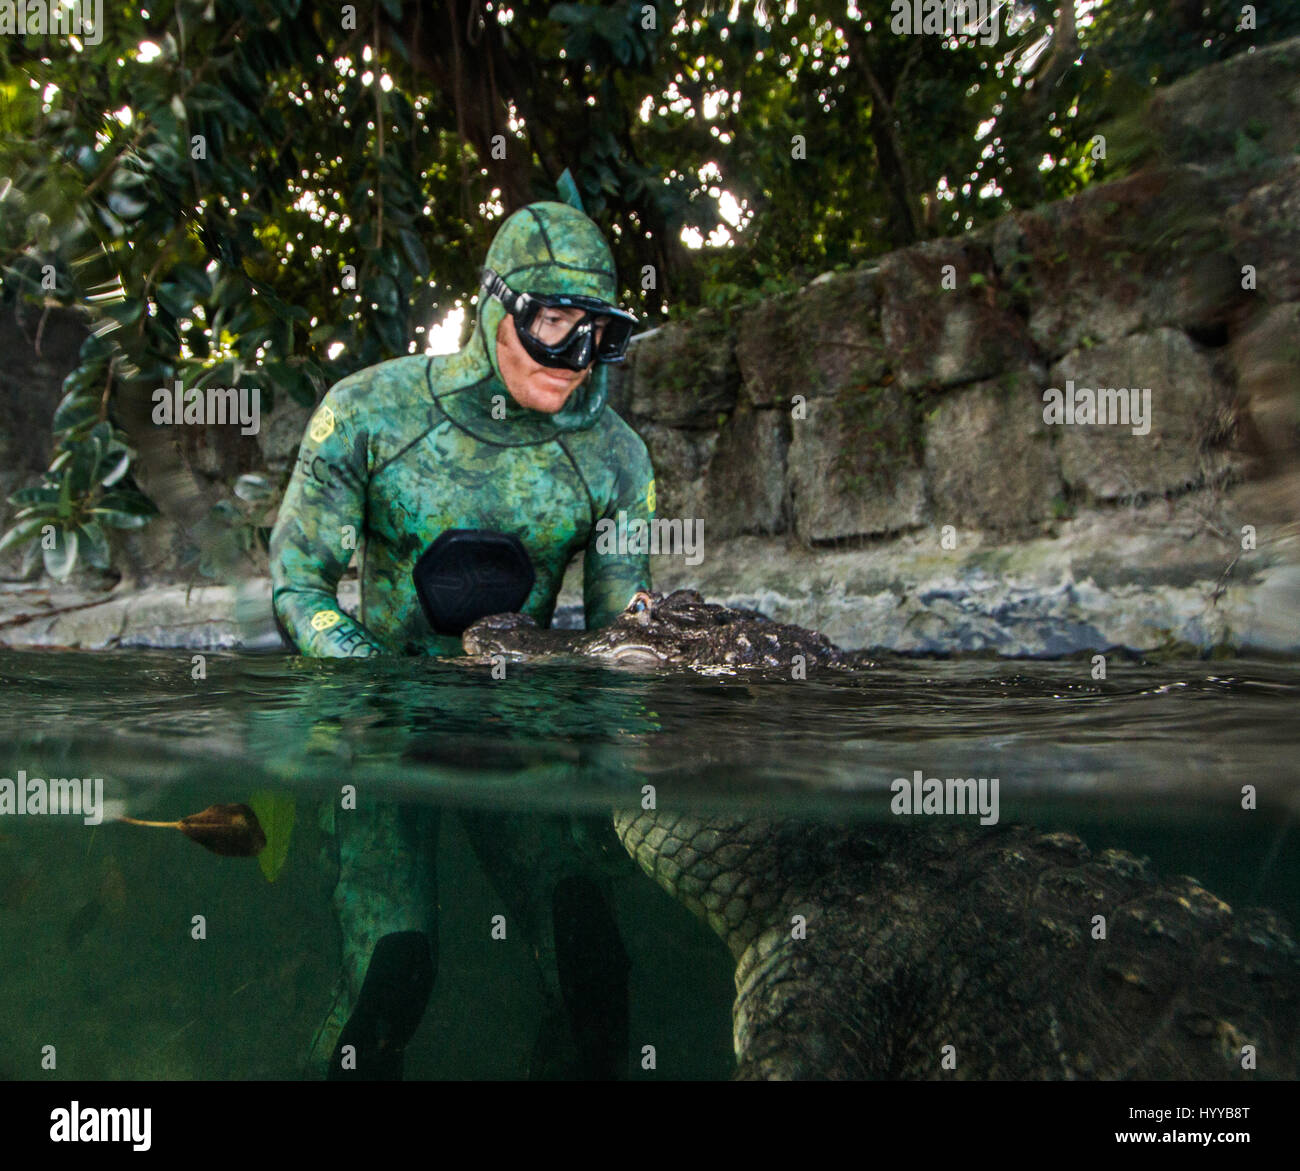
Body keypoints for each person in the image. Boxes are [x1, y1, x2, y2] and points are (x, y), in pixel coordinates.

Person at [269, 197, 654, 1078]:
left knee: (594, 966)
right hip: (380, 731)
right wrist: (383, 687)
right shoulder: (369, 412)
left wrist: (619, 744)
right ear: (496, 306)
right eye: (556, 323)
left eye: (598, 332)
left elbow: (620, 636)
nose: (577, 358)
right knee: (392, 980)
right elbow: (299, 583)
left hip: (517, 735)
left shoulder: (615, 458)